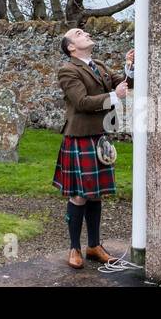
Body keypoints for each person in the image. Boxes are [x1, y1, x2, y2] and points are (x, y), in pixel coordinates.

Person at [54, 28, 128, 269]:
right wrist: (113, 96)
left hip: (100, 136)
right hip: (80, 136)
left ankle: (94, 246)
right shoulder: (68, 70)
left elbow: (124, 84)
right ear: (71, 47)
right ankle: (74, 248)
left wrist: (131, 67)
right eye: (78, 33)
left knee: (96, 193)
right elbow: (82, 102)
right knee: (79, 195)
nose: (84, 32)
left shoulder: (98, 64)